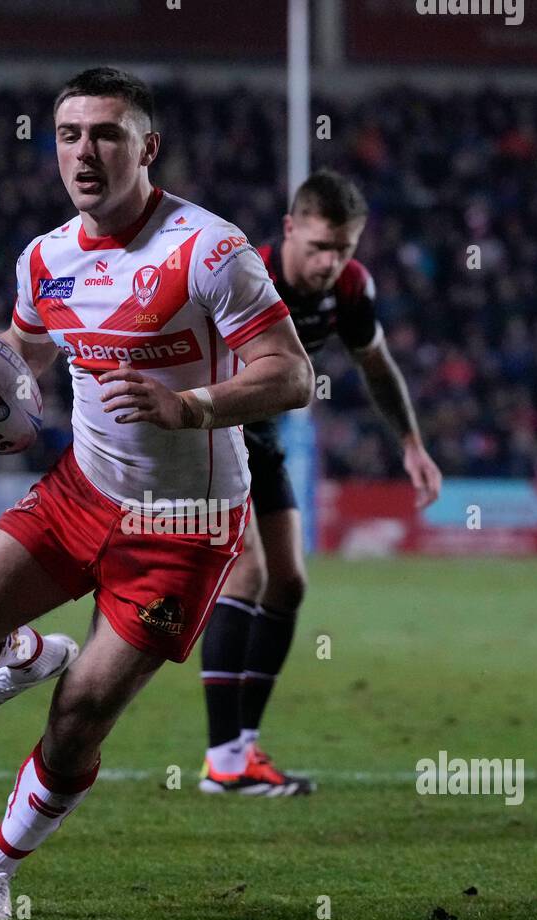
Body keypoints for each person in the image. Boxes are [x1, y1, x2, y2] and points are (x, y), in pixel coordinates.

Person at [0, 67, 313, 920]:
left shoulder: (208, 249)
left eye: (105, 134)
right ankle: (24, 652)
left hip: (186, 523)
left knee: (82, 714)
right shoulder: (44, 258)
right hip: (80, 492)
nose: (85, 152)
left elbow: (292, 375)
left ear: (146, 147)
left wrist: (191, 405)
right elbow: (23, 358)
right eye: (68, 135)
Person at [197, 170, 442, 795]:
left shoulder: (352, 290)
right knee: (249, 572)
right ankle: (223, 762)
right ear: (288, 232)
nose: (331, 263)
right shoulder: (245, 274)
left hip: (262, 435)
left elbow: (376, 366)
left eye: (344, 249)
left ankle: (242, 751)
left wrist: (411, 444)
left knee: (290, 582)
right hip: (208, 428)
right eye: (318, 247)